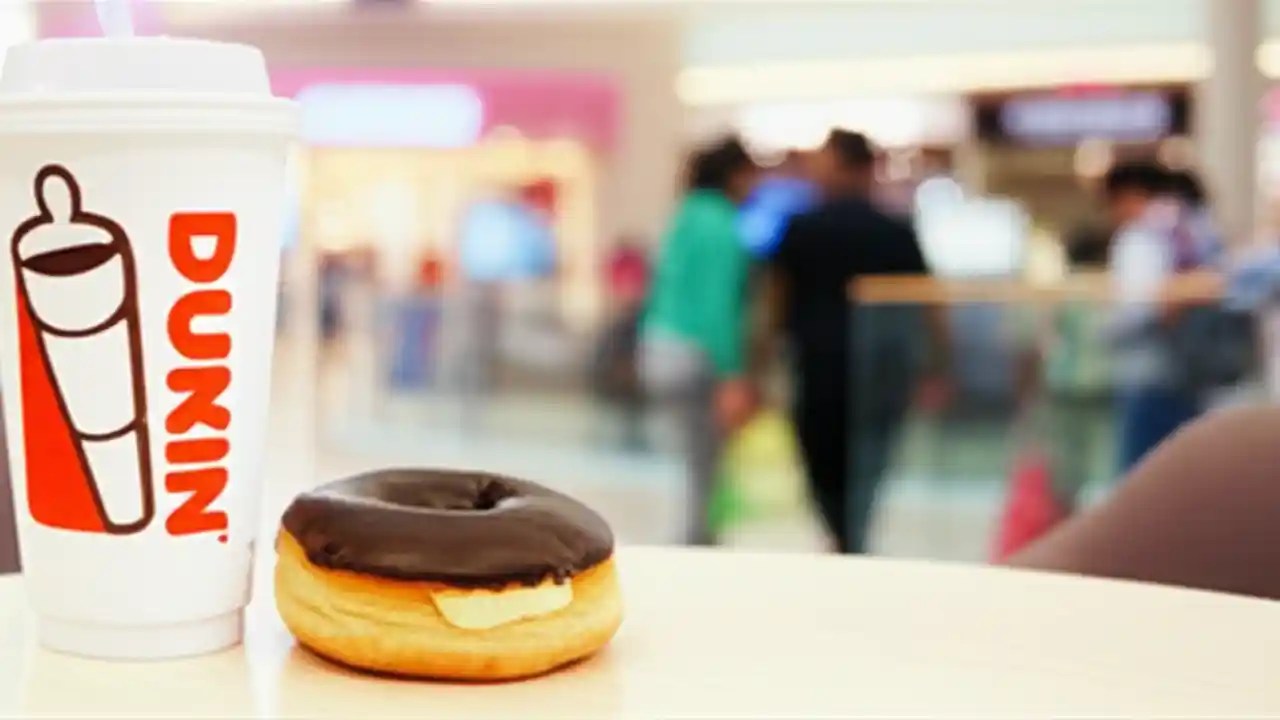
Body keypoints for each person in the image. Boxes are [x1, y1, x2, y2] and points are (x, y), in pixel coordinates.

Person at [770, 129, 941, 554]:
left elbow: (772, 301)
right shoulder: (891, 231)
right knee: (866, 464)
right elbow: (931, 305)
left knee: (824, 463)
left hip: (822, 368)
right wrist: (938, 363)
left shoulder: (803, 228)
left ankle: (844, 537)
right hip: (878, 371)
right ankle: (851, 537)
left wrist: (762, 360)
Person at [641, 137, 759, 545]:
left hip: (659, 346)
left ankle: (695, 540)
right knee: (704, 470)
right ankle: (697, 546)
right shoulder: (721, 223)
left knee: (690, 464)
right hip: (695, 355)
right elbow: (717, 306)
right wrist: (732, 374)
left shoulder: (684, 215)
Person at [1103, 161, 1204, 473]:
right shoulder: (1187, 230)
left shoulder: (1139, 238)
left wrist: (1105, 331)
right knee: (1180, 473)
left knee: (1139, 476)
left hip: (1146, 373)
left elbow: (1138, 309)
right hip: (1187, 371)